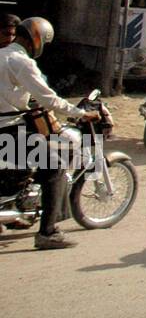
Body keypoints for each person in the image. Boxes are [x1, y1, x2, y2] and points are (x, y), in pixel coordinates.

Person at [0, 18, 99, 249]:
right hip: (9, 130)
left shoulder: (2, 56)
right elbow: (50, 99)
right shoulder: (21, 62)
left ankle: (20, 211)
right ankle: (48, 232)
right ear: (36, 40)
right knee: (54, 164)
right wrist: (80, 113)